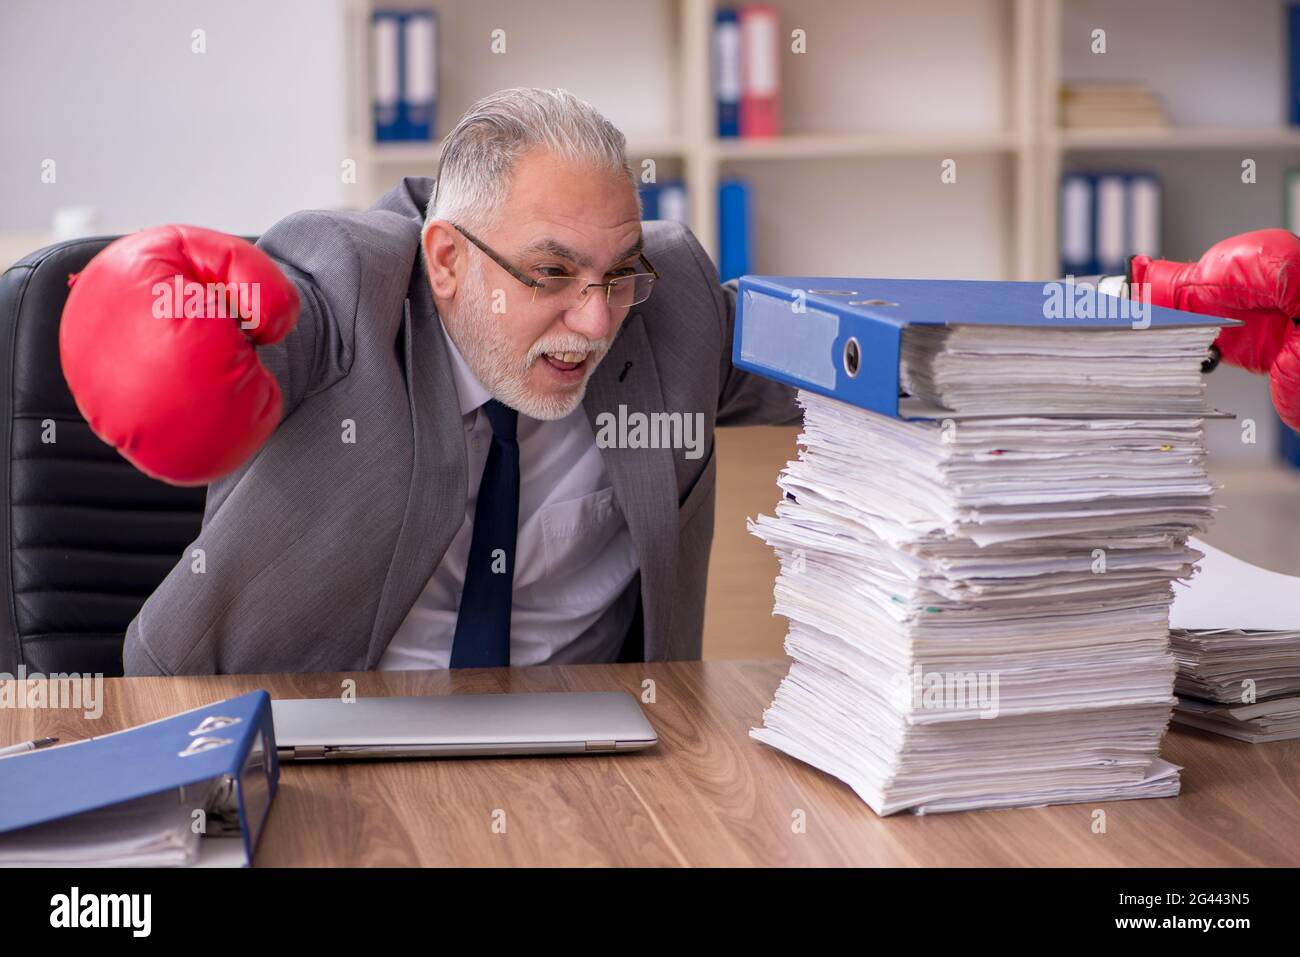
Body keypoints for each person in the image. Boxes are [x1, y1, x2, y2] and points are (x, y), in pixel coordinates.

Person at [59, 88, 1300, 676]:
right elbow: (261, 322)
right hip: (309, 742)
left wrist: (1159, 325)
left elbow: (891, 362)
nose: (591, 321)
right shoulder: (339, 287)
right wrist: (169, 315)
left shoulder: (671, 313)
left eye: (616, 274)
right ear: (446, 260)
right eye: (548, 274)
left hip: (599, 766)